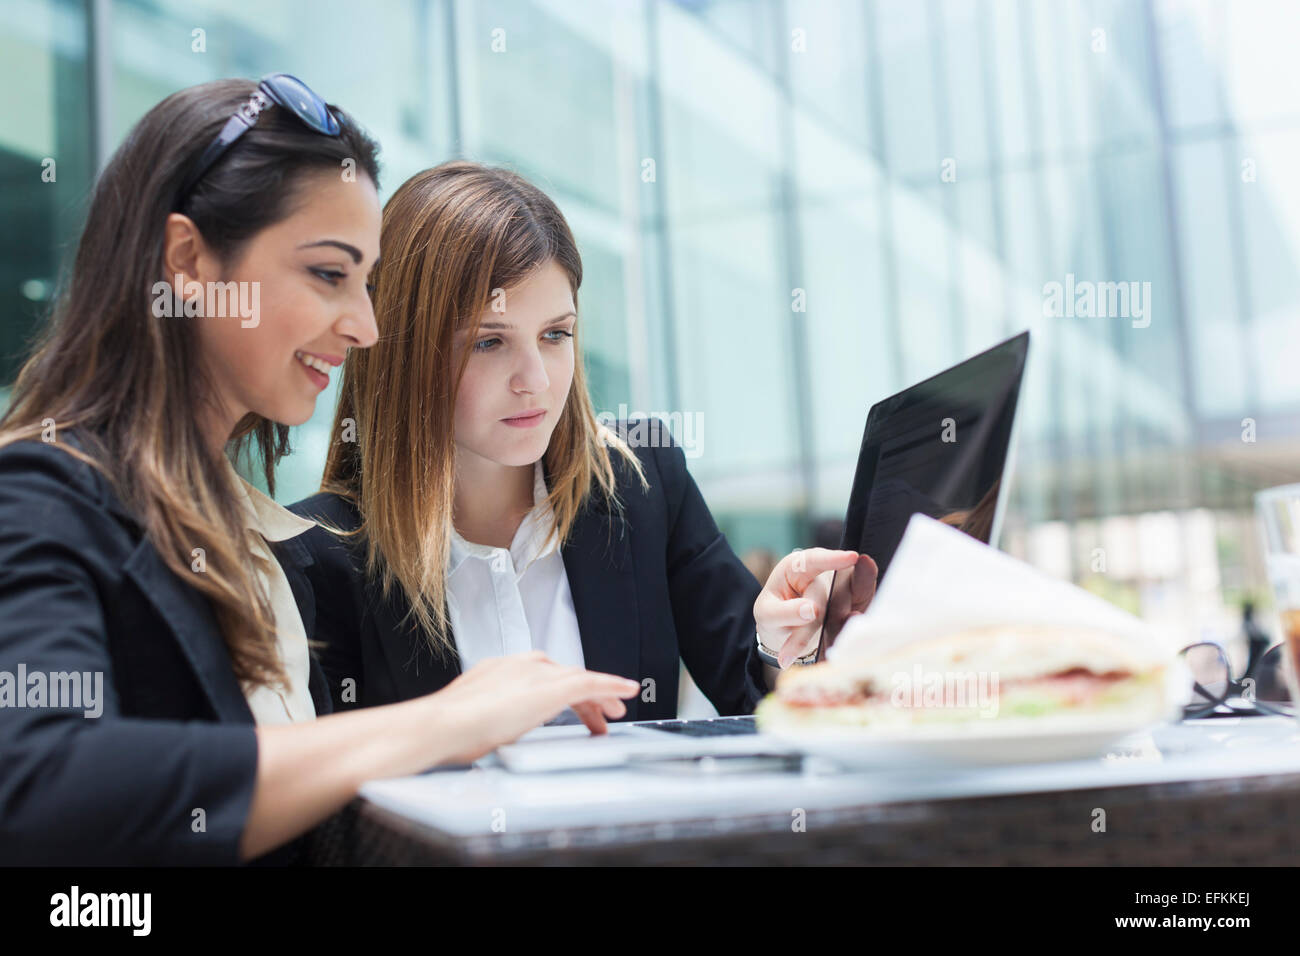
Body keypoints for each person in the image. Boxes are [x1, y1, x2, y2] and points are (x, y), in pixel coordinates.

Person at [0, 78, 639, 866]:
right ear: (189, 261)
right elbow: (40, 785)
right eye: (330, 275)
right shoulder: (37, 498)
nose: (367, 327)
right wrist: (440, 723)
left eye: (365, 282)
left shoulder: (253, 537)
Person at [291, 160, 874, 720]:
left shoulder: (643, 482)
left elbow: (755, 696)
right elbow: (327, 804)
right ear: (402, 351)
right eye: (488, 342)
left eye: (555, 334)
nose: (537, 382)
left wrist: (781, 642)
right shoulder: (316, 557)